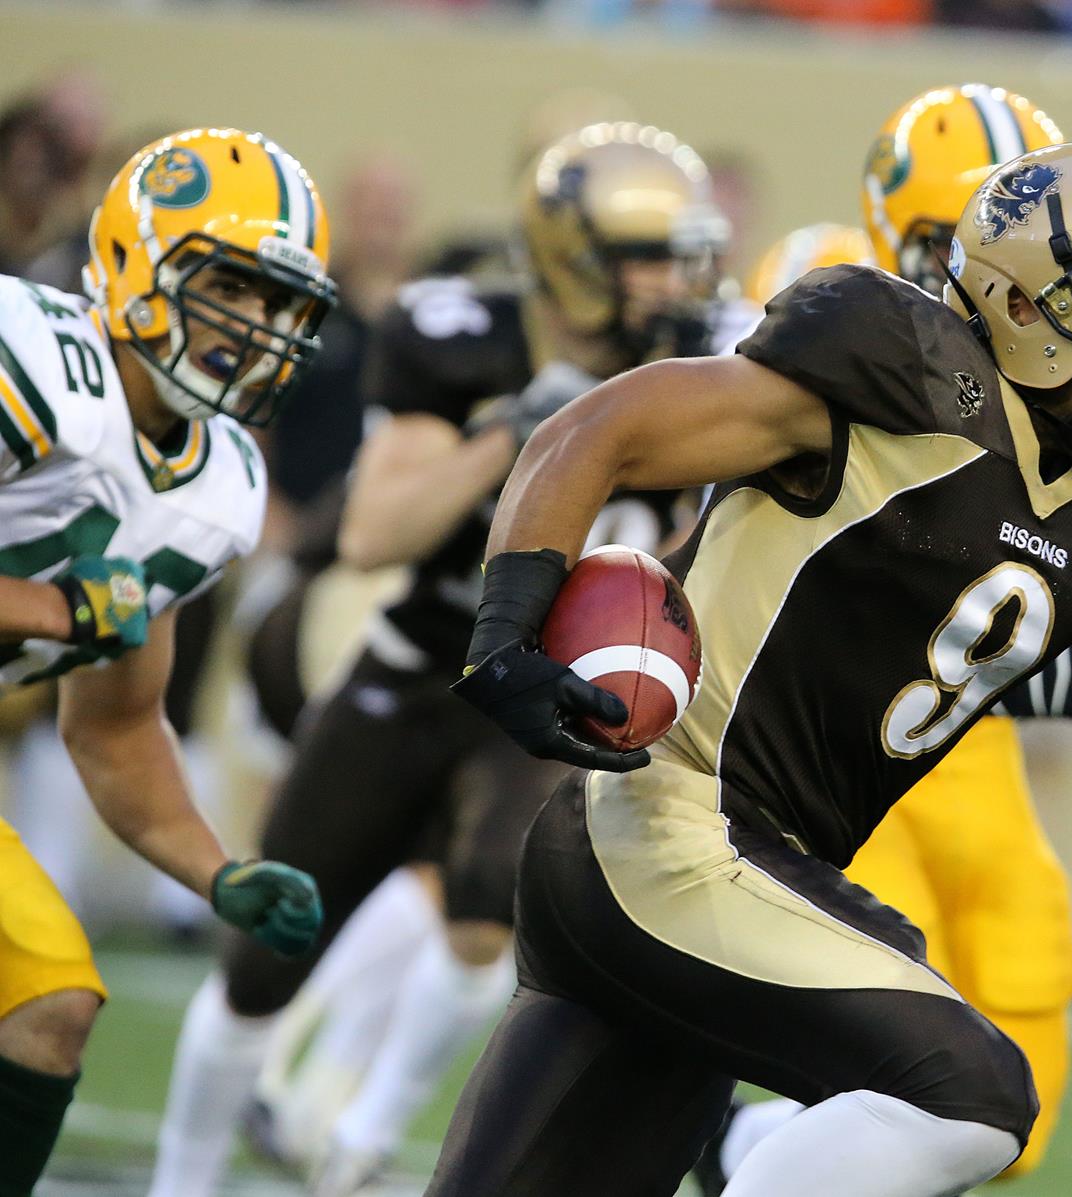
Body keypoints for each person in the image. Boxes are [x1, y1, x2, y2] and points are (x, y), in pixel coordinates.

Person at [433, 141, 1072, 1197]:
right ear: (1024, 306)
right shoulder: (895, 367)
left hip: (740, 880)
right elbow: (600, 429)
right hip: (663, 828)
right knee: (969, 1096)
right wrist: (505, 629)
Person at [145, 121, 738, 1197]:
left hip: (546, 699)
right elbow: (375, 535)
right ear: (569, 258)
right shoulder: (456, 333)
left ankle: (357, 1140)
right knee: (262, 962)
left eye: (685, 254)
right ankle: (179, 1183)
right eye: (648, 255)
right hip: (414, 669)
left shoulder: (702, 366)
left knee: (480, 922)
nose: (677, 282)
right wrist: (512, 432)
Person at [703, 83, 1072, 1190]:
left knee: (1025, 973)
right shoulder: (827, 308)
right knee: (893, 1027)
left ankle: (733, 1149)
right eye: (955, 237)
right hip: (833, 726)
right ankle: (731, 1149)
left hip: (961, 728)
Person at [0, 126, 333, 1195]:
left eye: (286, 306)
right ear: (138, 261)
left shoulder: (216, 491)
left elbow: (114, 723)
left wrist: (215, 871)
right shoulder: (32, 358)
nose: (261, 328)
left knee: (46, 1004)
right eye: (234, 285)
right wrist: (47, 604)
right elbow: (71, 618)